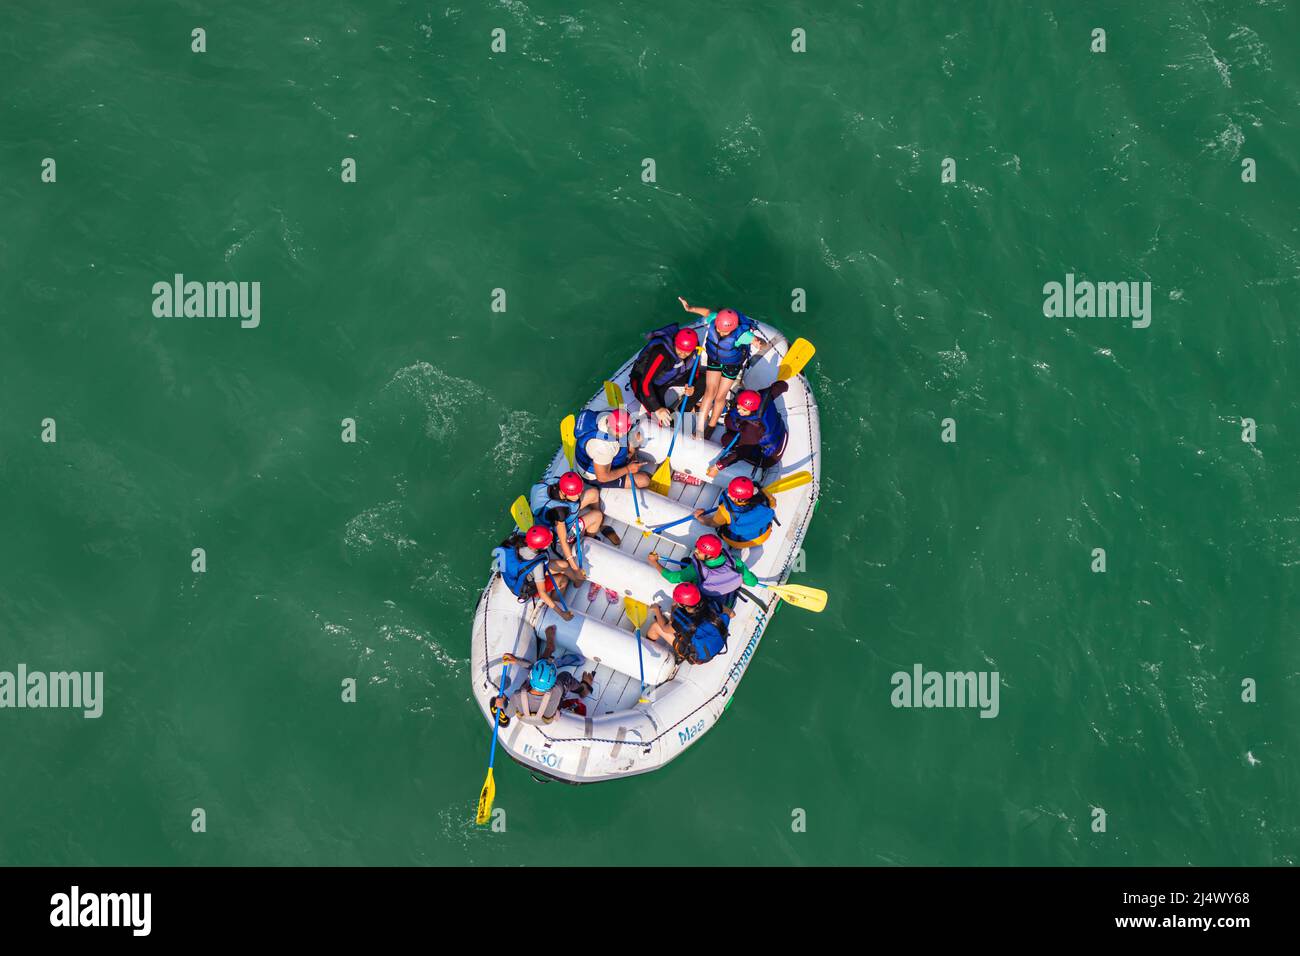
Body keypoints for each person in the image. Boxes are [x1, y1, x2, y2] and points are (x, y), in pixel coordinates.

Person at [676, 297, 767, 438]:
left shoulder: (742, 335)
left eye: (724, 332)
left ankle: (711, 427)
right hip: (715, 358)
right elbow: (707, 312)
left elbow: (756, 341)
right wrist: (690, 308)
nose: (720, 333)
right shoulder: (715, 320)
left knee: (720, 397)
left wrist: (759, 342)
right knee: (709, 392)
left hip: (732, 364)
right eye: (718, 330)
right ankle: (699, 430)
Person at [491, 625, 596, 725]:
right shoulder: (558, 688)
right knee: (566, 677)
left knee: (540, 665)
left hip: (537, 717)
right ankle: (583, 689)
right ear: (554, 682)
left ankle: (550, 648)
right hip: (548, 715)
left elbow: (509, 714)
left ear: (531, 676)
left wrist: (502, 704)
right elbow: (536, 670)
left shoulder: (517, 696)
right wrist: (517, 661)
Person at [647, 533, 759, 610]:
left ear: (709, 555)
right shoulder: (735, 562)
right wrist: (742, 578)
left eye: (699, 551)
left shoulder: (695, 569)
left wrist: (655, 563)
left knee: (688, 572)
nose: (695, 551)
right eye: (697, 547)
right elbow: (753, 582)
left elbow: (672, 578)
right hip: (728, 603)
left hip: (706, 604)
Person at [528, 470, 621, 563]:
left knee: (594, 493)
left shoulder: (553, 483)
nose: (579, 495)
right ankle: (588, 538)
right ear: (564, 493)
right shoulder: (559, 511)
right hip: (560, 532)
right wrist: (574, 567)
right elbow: (563, 540)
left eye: (580, 491)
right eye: (576, 494)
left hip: (553, 514)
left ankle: (600, 525)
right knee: (597, 515)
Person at [492, 524, 577, 620]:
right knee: (563, 580)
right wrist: (562, 613)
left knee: (564, 565)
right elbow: (542, 593)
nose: (550, 542)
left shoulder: (518, 539)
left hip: (521, 570)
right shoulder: (538, 565)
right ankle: (552, 609)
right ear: (542, 546)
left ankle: (577, 580)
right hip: (527, 584)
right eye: (549, 542)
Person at [707, 383, 789, 477]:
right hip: (773, 429)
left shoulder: (753, 427)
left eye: (744, 410)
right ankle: (738, 431)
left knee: (726, 440)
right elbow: (780, 386)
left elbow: (742, 452)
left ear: (753, 409)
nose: (739, 411)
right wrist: (784, 386)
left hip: (767, 456)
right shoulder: (763, 396)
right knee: (730, 419)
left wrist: (719, 466)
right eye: (739, 406)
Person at [629, 325, 701, 427]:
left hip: (669, 378)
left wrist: (690, 384)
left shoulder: (695, 348)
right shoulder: (661, 354)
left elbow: (695, 369)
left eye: (687, 351)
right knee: (667, 422)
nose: (683, 354)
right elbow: (645, 383)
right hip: (647, 384)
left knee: (704, 381)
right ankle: (667, 412)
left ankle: (685, 408)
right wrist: (658, 409)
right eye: (680, 349)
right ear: (675, 342)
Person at [643, 583, 729, 664]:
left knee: (656, 626)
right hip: (716, 643)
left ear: (682, 605)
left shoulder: (684, 622)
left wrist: (657, 610)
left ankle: (646, 649)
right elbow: (732, 614)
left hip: (698, 656)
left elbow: (665, 628)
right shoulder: (711, 604)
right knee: (686, 630)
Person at [573, 407, 650, 489]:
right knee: (644, 480)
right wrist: (628, 469)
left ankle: (628, 458)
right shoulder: (604, 447)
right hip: (594, 475)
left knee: (636, 437)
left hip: (602, 457)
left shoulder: (607, 415)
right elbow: (602, 477)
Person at [696, 476, 777, 549]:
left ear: (739, 499)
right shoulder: (765, 496)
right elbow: (773, 505)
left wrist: (699, 517)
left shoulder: (725, 510)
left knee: (720, 526)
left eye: (731, 494)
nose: (728, 494)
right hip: (764, 535)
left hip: (738, 543)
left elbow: (712, 523)